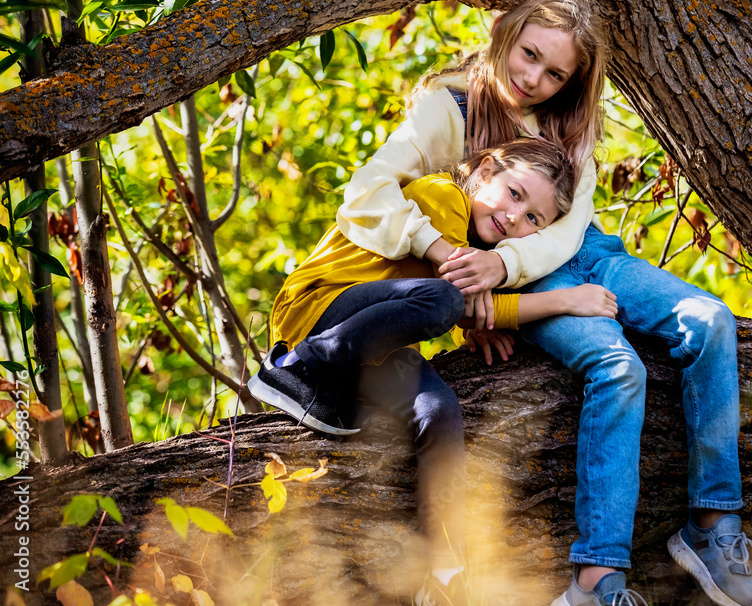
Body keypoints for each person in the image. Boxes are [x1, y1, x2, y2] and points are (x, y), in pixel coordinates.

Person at [332, 0, 752, 606]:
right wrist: (453, 261)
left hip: (581, 252)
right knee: (618, 367)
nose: (533, 78)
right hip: (534, 276)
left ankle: (711, 524)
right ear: (507, 34)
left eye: (555, 72)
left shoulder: (568, 127)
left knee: (711, 319)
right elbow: (366, 191)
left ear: (573, 82)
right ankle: (596, 581)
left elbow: (569, 230)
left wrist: (500, 264)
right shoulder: (450, 105)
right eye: (528, 54)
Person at [250, 139, 619, 605]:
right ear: (485, 171)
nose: (514, 217)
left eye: (533, 220)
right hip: (321, 311)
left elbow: (459, 303)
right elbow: (453, 298)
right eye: (514, 193)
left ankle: (444, 574)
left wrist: (478, 320)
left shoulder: (474, 243)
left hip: (373, 346)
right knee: (441, 301)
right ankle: (294, 367)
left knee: (439, 411)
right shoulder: (444, 196)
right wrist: (564, 300)